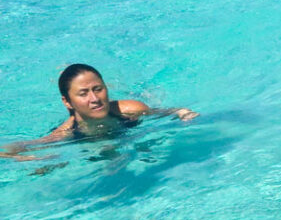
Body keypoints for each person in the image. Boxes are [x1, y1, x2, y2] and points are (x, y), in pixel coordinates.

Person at [3, 64, 197, 160]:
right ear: (67, 102)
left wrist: (183, 113)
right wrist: (26, 159)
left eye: (98, 89)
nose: (95, 99)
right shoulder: (65, 133)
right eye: (83, 94)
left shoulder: (131, 109)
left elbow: (169, 111)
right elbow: (8, 150)